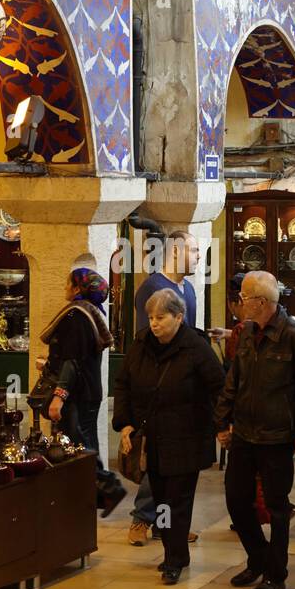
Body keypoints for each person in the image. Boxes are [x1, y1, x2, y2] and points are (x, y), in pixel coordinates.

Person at [215, 271, 295, 589]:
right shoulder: (246, 333)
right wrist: (222, 422)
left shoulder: (293, 336)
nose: (240, 303)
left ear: (261, 302)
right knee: (236, 500)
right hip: (244, 435)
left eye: (244, 297)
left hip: (277, 437)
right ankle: (258, 558)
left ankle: (275, 573)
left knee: (277, 507)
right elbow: (233, 381)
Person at [114, 289, 226, 584]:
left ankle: (173, 559)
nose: (154, 323)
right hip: (153, 437)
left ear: (179, 317)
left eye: (161, 317)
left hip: (186, 437)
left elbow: (219, 387)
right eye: (151, 317)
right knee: (161, 498)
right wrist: (125, 424)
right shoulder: (141, 345)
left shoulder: (196, 347)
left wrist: (222, 425)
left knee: (178, 500)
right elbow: (123, 384)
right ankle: (175, 553)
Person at [127, 230, 202, 546]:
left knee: (178, 460)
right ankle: (142, 519)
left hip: (186, 386)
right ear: (176, 251)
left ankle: (166, 523)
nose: (199, 256)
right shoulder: (154, 288)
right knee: (158, 456)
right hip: (161, 385)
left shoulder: (188, 289)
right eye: (194, 250)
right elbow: (152, 342)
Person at [40, 267, 125, 514]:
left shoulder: (75, 316)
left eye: (68, 284)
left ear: (78, 288)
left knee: (79, 445)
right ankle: (92, 496)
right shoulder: (92, 312)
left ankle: (109, 488)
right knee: (85, 442)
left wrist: (59, 396)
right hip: (89, 391)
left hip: (77, 394)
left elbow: (72, 361)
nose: (65, 287)